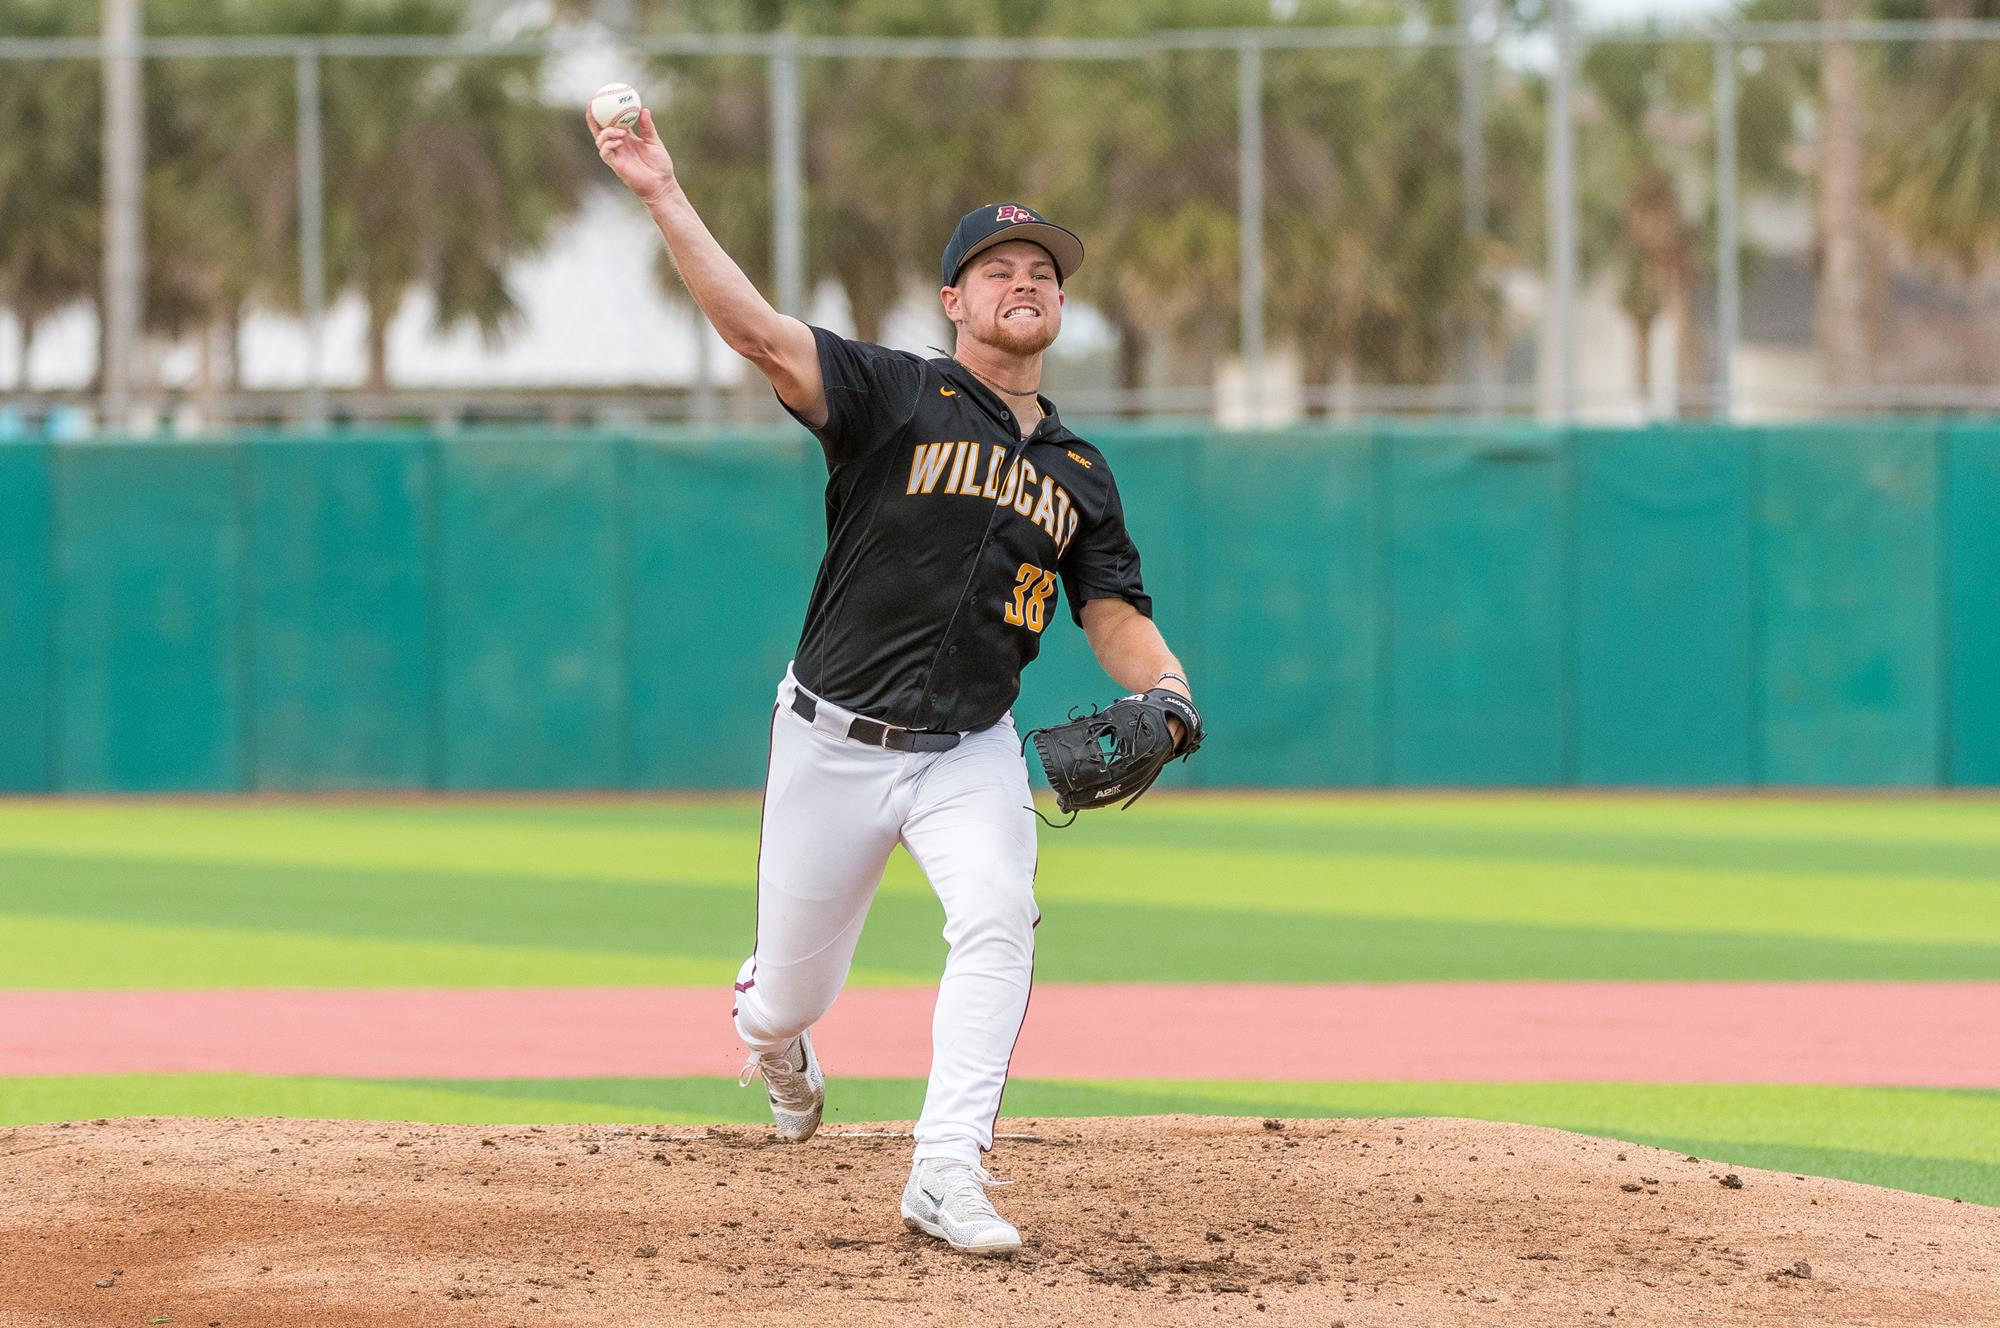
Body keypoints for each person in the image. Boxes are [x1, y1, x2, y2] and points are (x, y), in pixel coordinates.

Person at [591, 104, 1198, 1256]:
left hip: (968, 745)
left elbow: (1111, 610)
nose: (1024, 279)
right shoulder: (892, 394)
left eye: (1042, 271)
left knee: (999, 914)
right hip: (829, 740)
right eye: (996, 267)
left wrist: (1167, 688)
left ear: (1060, 308)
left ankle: (943, 1168)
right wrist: (663, 191)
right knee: (787, 1000)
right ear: (954, 303)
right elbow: (762, 336)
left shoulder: (1077, 470)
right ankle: (771, 1033)